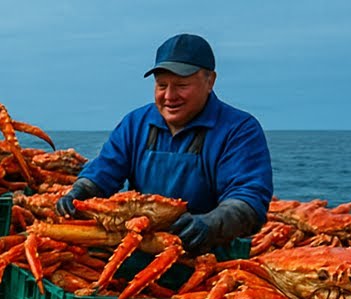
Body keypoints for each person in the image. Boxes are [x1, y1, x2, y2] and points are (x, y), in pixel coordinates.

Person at [55, 34, 272, 255]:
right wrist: (81, 190)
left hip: (209, 259)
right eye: (161, 85)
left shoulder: (238, 129)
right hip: (138, 248)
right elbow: (106, 169)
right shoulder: (136, 123)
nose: (169, 96)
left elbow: (248, 197)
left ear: (210, 81)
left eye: (181, 85)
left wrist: (211, 224)